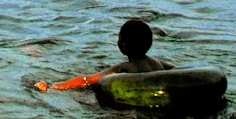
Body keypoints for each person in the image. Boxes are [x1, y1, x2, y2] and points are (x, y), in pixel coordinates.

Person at [35, 18, 173, 91]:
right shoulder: (158, 62)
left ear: (123, 45)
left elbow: (88, 80)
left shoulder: (125, 68)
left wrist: (55, 86)